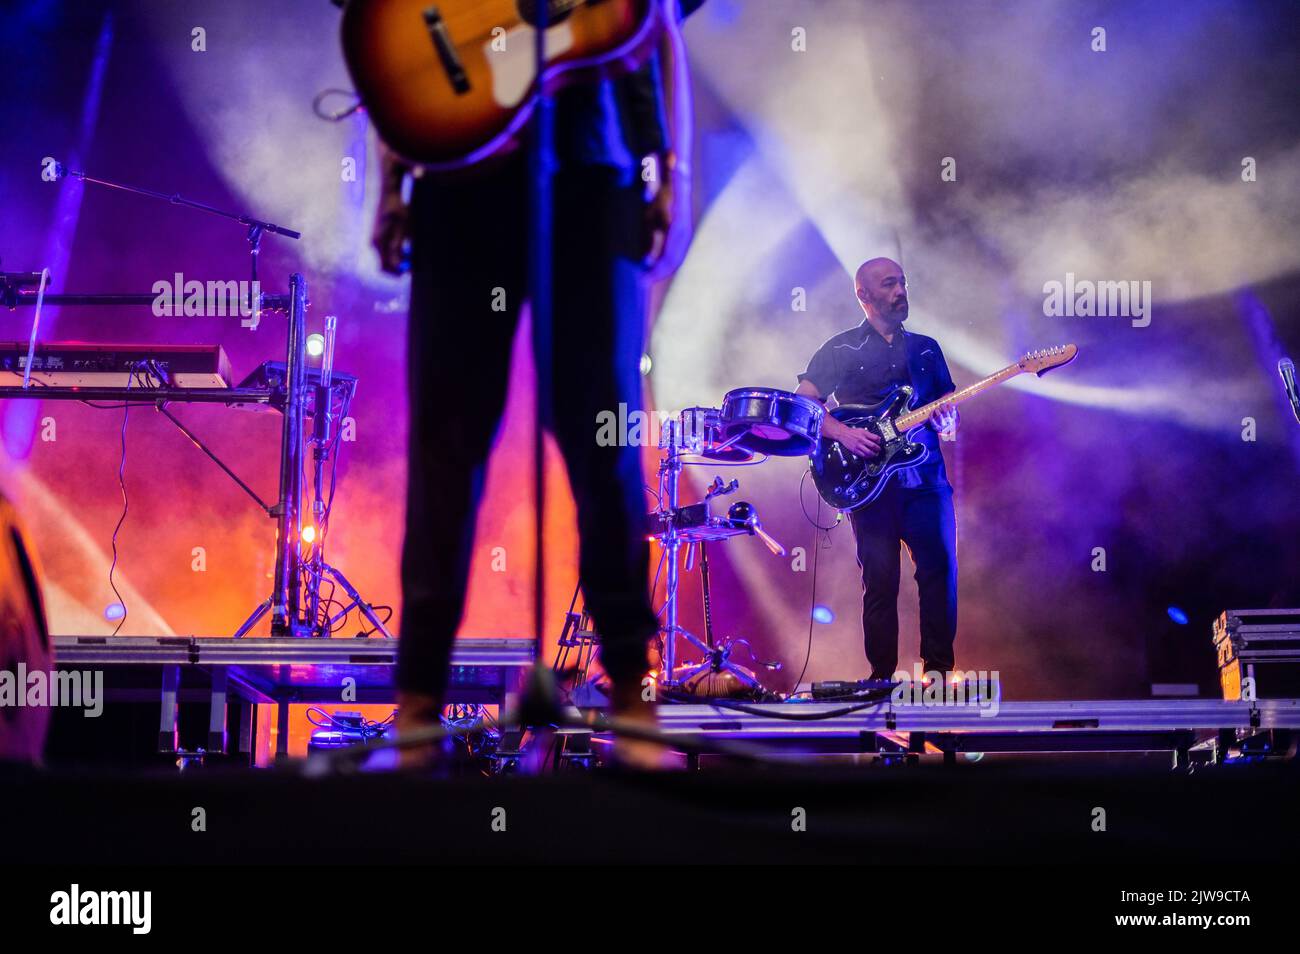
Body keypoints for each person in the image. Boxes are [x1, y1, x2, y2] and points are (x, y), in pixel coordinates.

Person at [372, 44, 682, 768]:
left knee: (602, 429)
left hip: (589, 171)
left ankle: (633, 697)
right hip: (458, 168)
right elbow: (390, 40)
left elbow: (654, 27)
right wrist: (391, 176)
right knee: (447, 435)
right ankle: (416, 704)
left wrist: (671, 169)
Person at [795, 258, 960, 681]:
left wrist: (949, 422)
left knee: (939, 571)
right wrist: (844, 435)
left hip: (925, 480)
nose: (900, 291)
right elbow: (804, 402)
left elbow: (948, 411)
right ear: (863, 295)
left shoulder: (926, 348)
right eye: (889, 284)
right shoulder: (841, 348)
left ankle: (938, 673)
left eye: (902, 282)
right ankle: (881, 678)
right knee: (880, 581)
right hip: (870, 484)